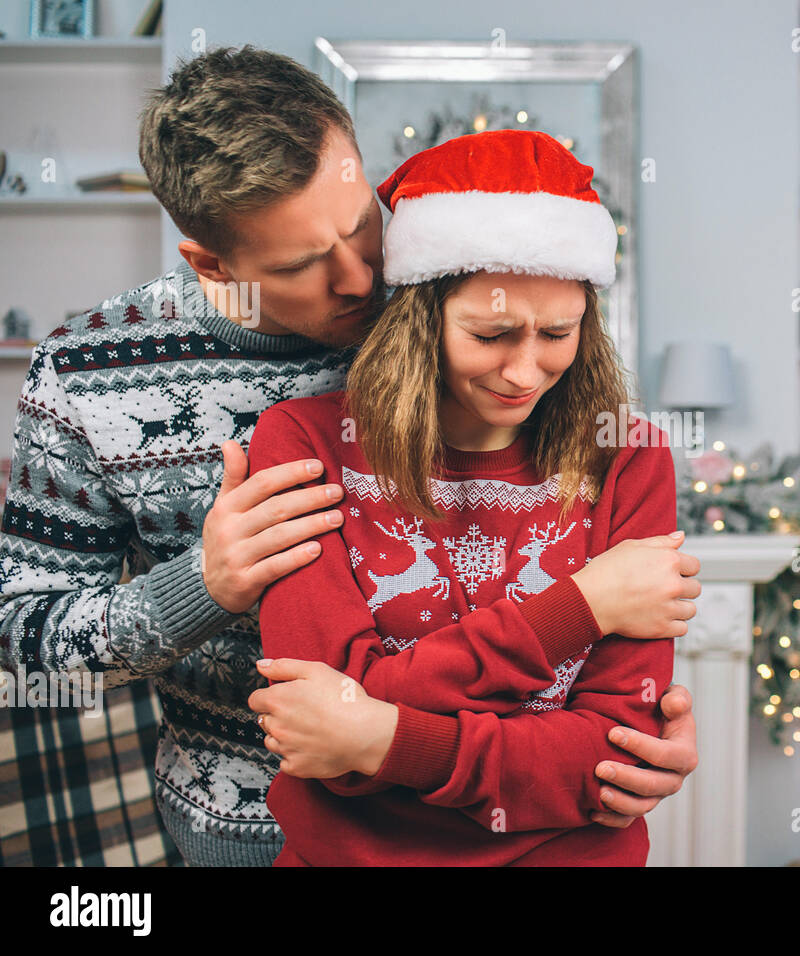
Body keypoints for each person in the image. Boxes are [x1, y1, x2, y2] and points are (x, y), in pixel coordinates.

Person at [0, 46, 699, 867]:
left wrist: (624, 754)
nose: (362, 277)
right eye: (302, 264)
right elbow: (23, 637)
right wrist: (205, 585)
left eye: (363, 219)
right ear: (211, 263)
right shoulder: (87, 373)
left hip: (508, 811)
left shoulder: (441, 279)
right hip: (245, 828)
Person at [249, 128, 695, 865]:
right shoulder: (304, 442)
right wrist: (581, 606)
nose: (525, 371)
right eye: (491, 334)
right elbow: (318, 734)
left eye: (558, 333)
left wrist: (384, 736)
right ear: (420, 323)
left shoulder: (629, 457)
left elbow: (613, 759)